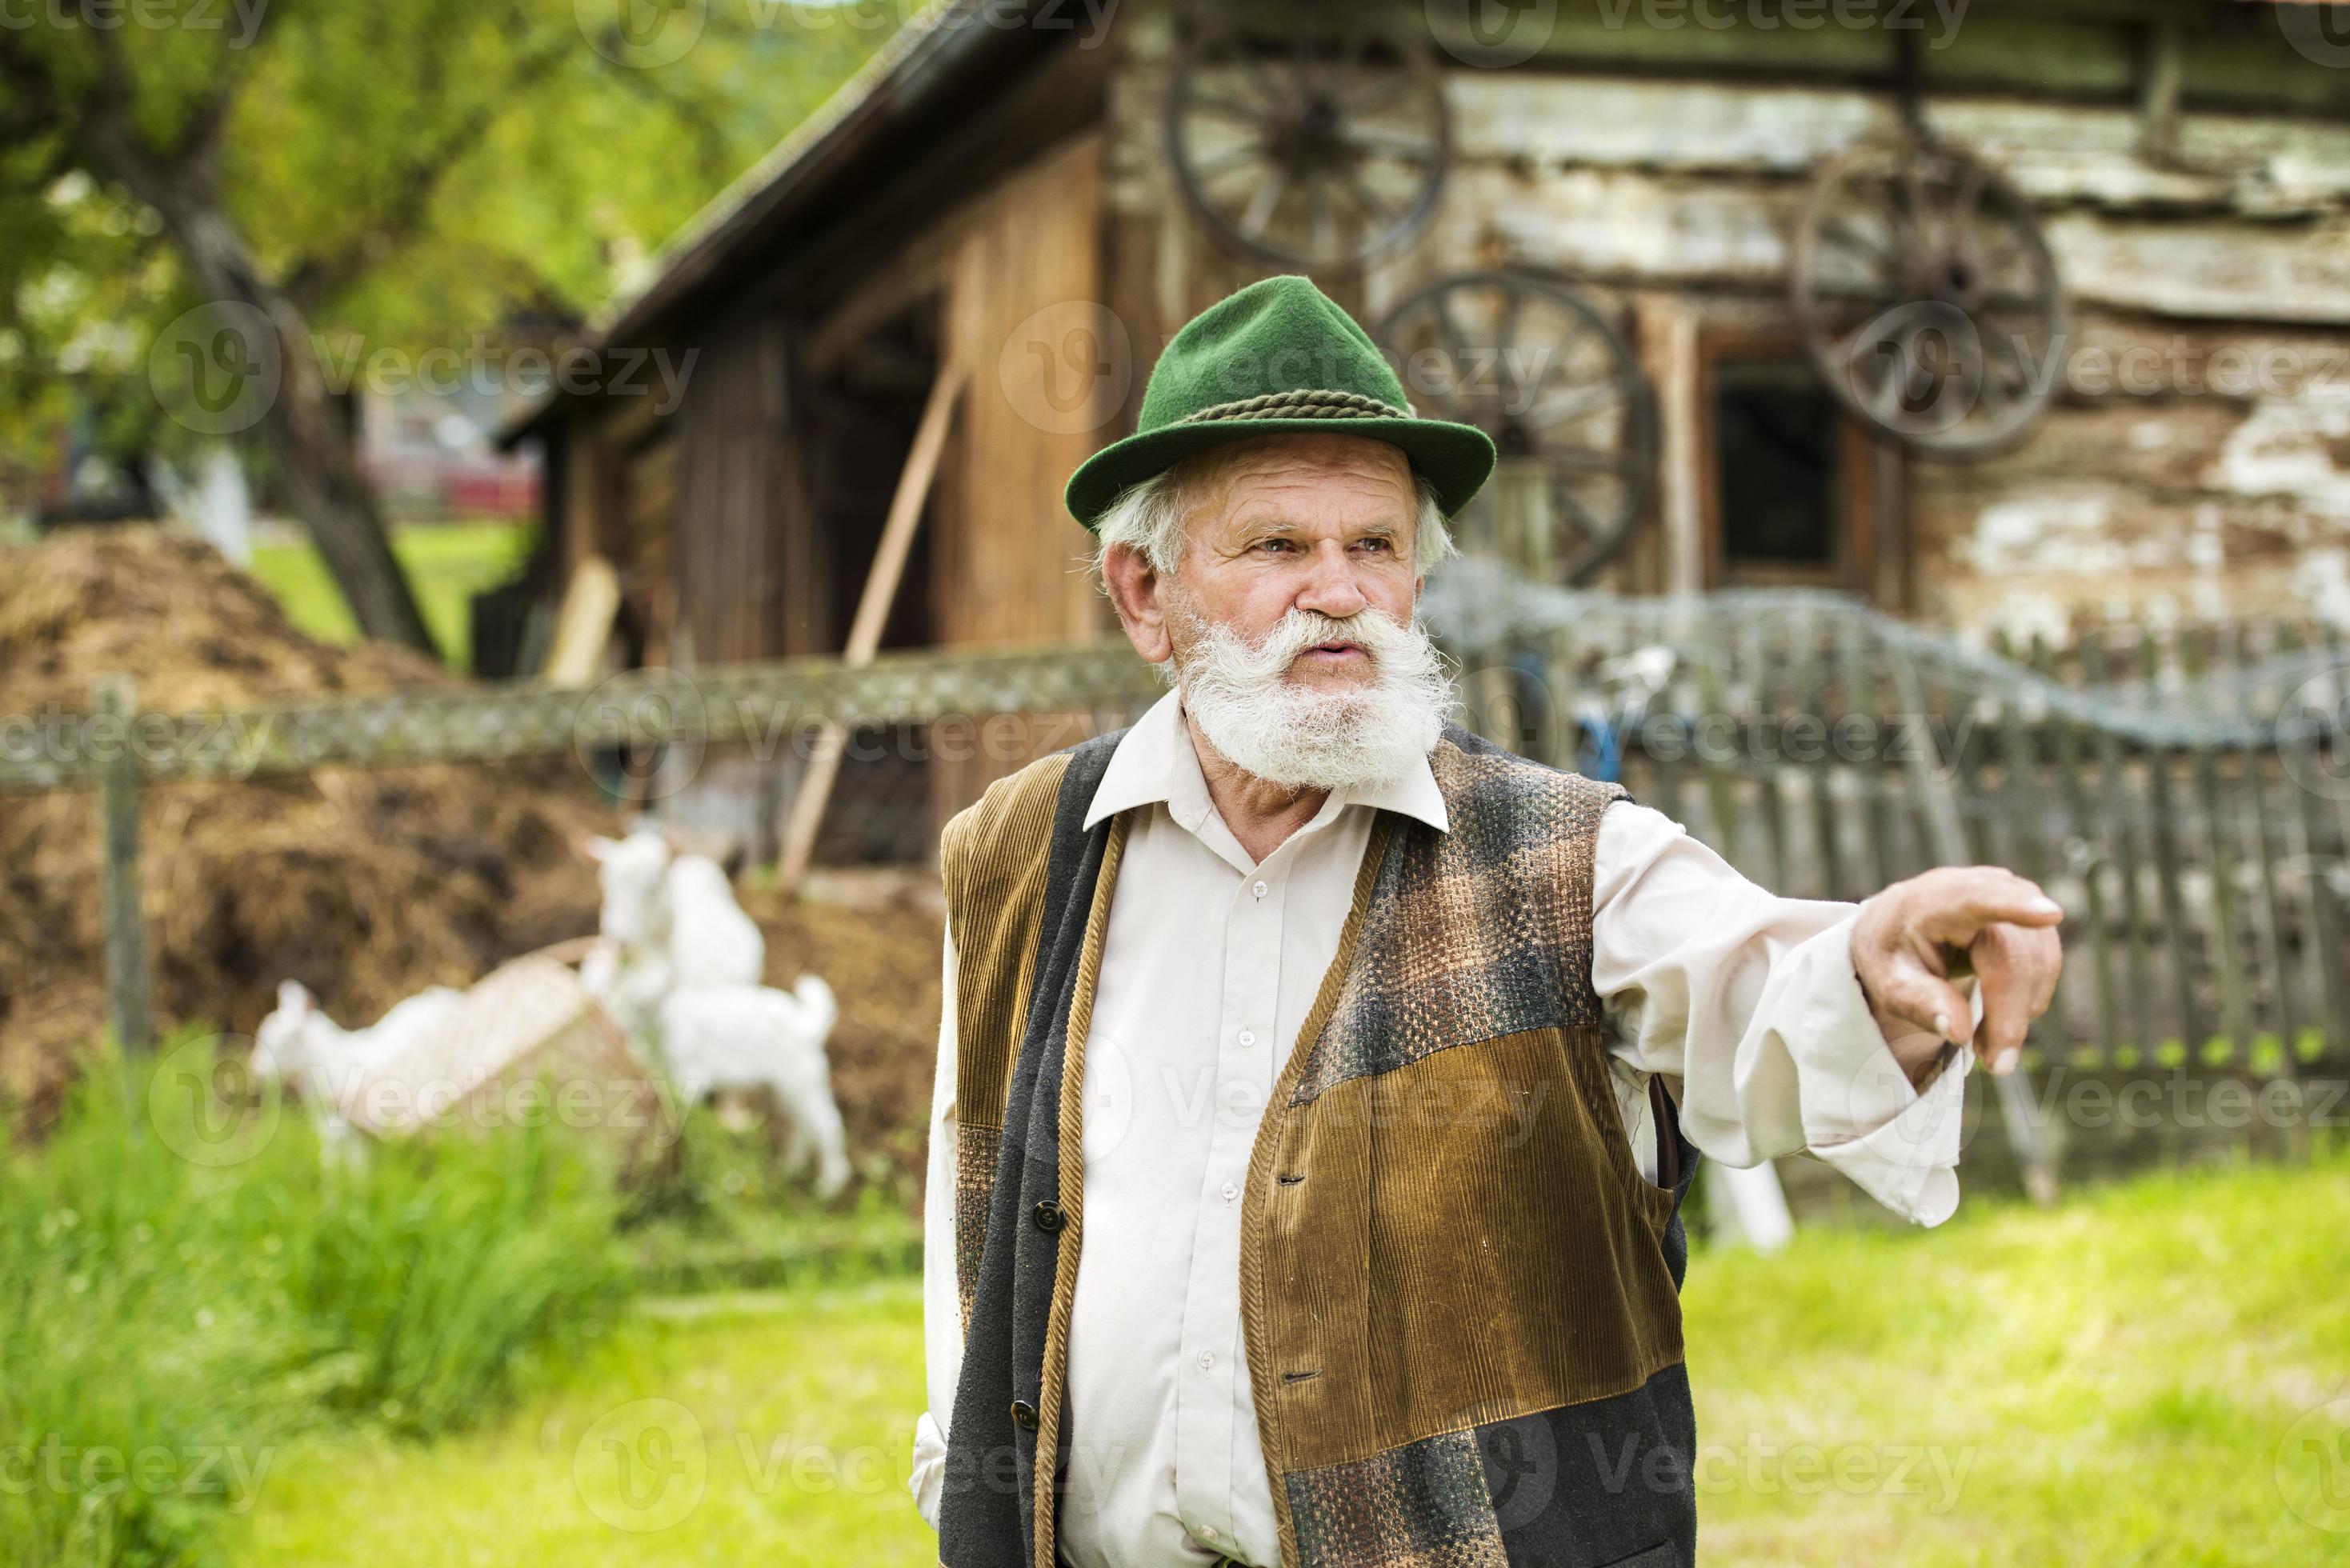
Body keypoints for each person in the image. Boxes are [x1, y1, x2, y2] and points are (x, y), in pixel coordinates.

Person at [909, 275, 2062, 1568]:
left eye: (1375, 545)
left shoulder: (1569, 855)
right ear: (1143, 594)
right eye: (1276, 546)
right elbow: (974, 1181)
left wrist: (1869, 956)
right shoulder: (1017, 848)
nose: (1337, 592)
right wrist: (964, 1473)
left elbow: (1753, 990)